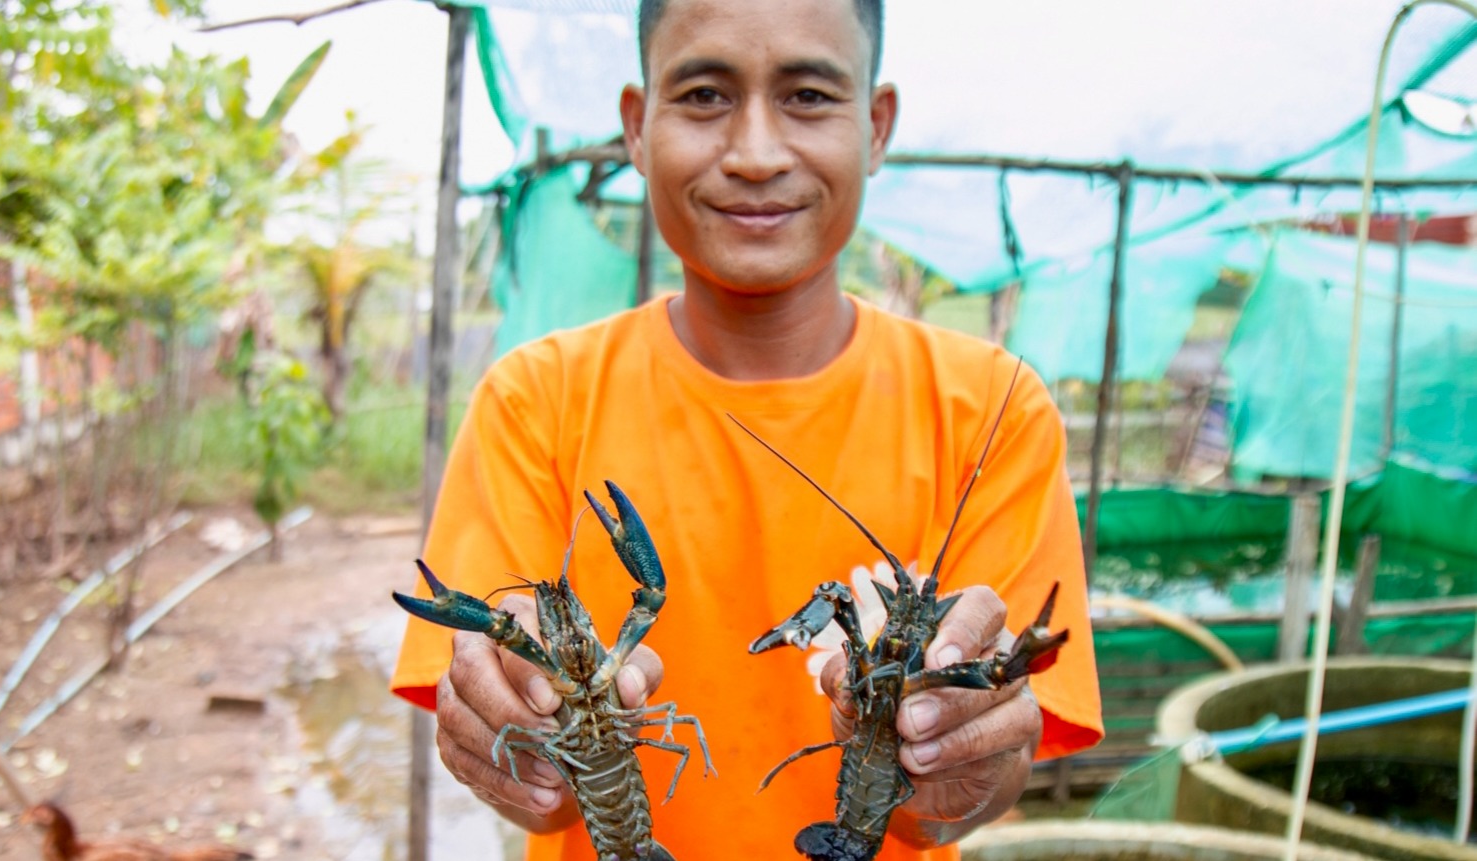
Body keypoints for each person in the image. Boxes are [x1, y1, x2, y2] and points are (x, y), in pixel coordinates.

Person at [389, 0, 1104, 858]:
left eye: (806, 95)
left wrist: (964, 749)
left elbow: (950, 806)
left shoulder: (993, 408)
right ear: (636, 125)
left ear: (875, 126)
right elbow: (538, 800)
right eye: (701, 95)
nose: (756, 155)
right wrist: (509, 730)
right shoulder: (531, 400)